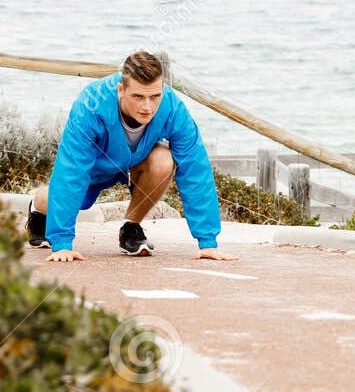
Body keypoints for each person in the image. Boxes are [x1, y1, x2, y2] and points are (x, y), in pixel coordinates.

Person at [27, 50, 238, 263]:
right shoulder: (90, 106)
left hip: (137, 163)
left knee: (164, 160)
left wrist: (208, 242)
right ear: (121, 90)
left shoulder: (173, 108)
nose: (147, 107)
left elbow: (195, 170)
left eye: (155, 96)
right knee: (60, 199)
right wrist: (63, 243)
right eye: (138, 97)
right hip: (95, 169)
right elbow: (71, 171)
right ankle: (37, 208)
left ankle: (131, 228)